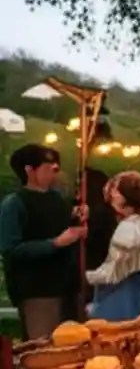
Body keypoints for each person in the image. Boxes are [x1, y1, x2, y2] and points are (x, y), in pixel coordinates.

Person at [0, 145, 85, 340]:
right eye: (48, 168)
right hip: (37, 291)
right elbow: (11, 249)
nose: (54, 173)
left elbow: (62, 225)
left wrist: (77, 220)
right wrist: (54, 243)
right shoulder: (14, 204)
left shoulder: (57, 199)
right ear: (30, 170)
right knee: (44, 349)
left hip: (69, 288)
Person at [86, 171, 140, 321]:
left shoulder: (128, 228)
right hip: (136, 291)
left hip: (121, 296)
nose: (112, 193)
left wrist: (87, 277)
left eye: (116, 189)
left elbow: (114, 272)